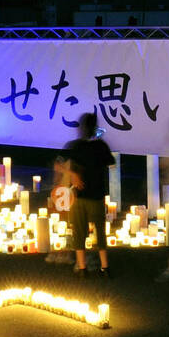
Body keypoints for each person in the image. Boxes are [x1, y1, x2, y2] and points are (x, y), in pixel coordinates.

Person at [65, 112, 115, 278]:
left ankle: (82, 268)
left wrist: (74, 175)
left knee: (79, 232)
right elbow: (111, 163)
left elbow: (63, 164)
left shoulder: (76, 146)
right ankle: (105, 268)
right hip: (96, 195)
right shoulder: (101, 146)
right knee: (100, 231)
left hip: (80, 196)